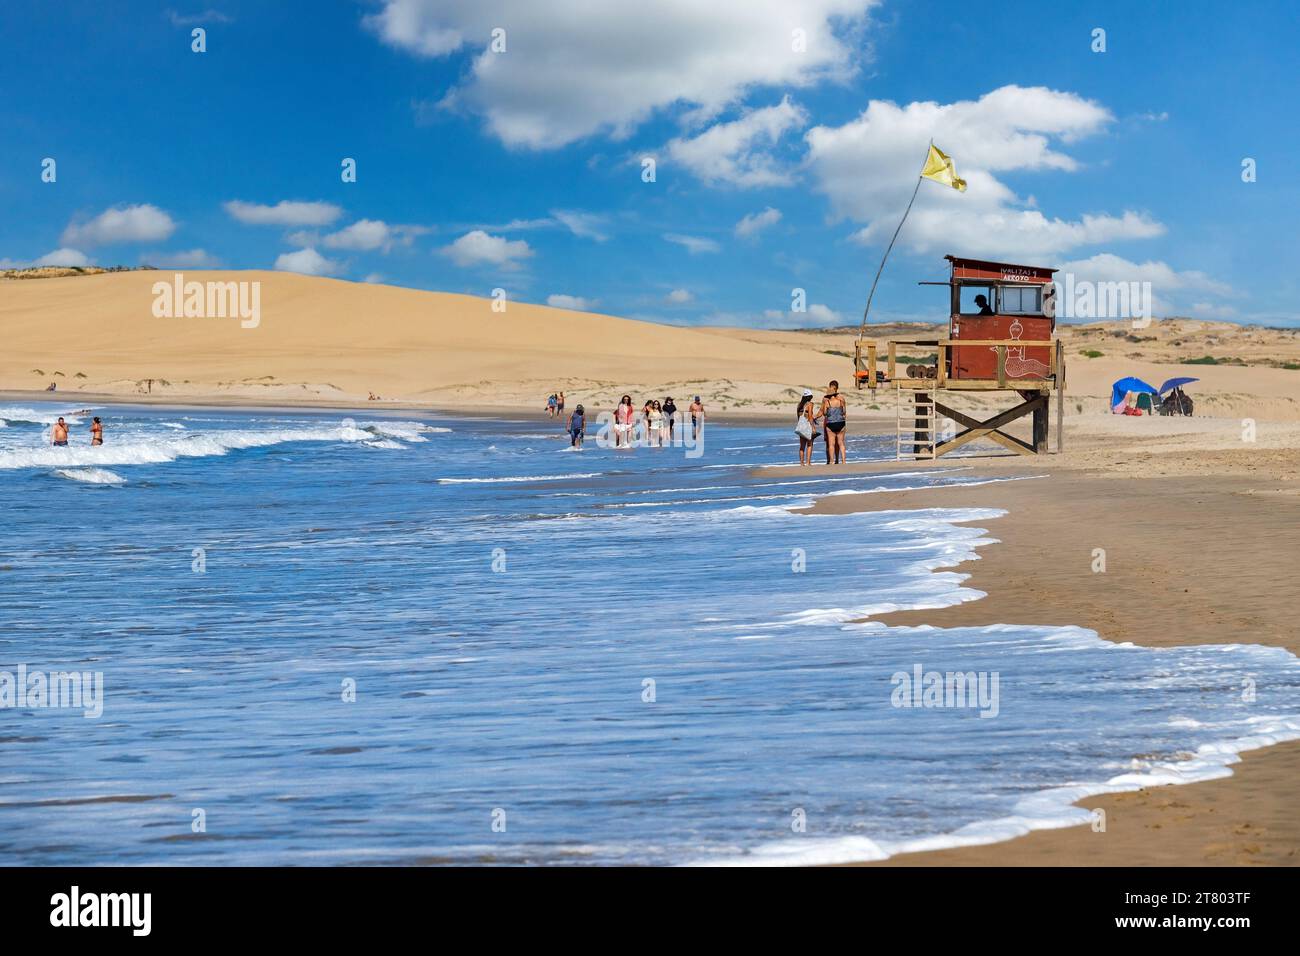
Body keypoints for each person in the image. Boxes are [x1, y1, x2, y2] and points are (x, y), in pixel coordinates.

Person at [820, 381, 847, 465]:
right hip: (841, 423)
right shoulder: (841, 400)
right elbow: (844, 411)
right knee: (841, 443)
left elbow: (824, 413)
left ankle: (831, 461)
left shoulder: (827, 402)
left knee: (831, 444)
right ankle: (843, 461)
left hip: (831, 423)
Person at [795, 389, 818, 465]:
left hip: (800, 426)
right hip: (807, 425)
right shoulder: (810, 404)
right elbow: (810, 417)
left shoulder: (799, 405)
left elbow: (799, 417)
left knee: (802, 446)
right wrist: (813, 427)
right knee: (809, 444)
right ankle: (808, 462)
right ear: (810, 397)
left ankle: (801, 463)